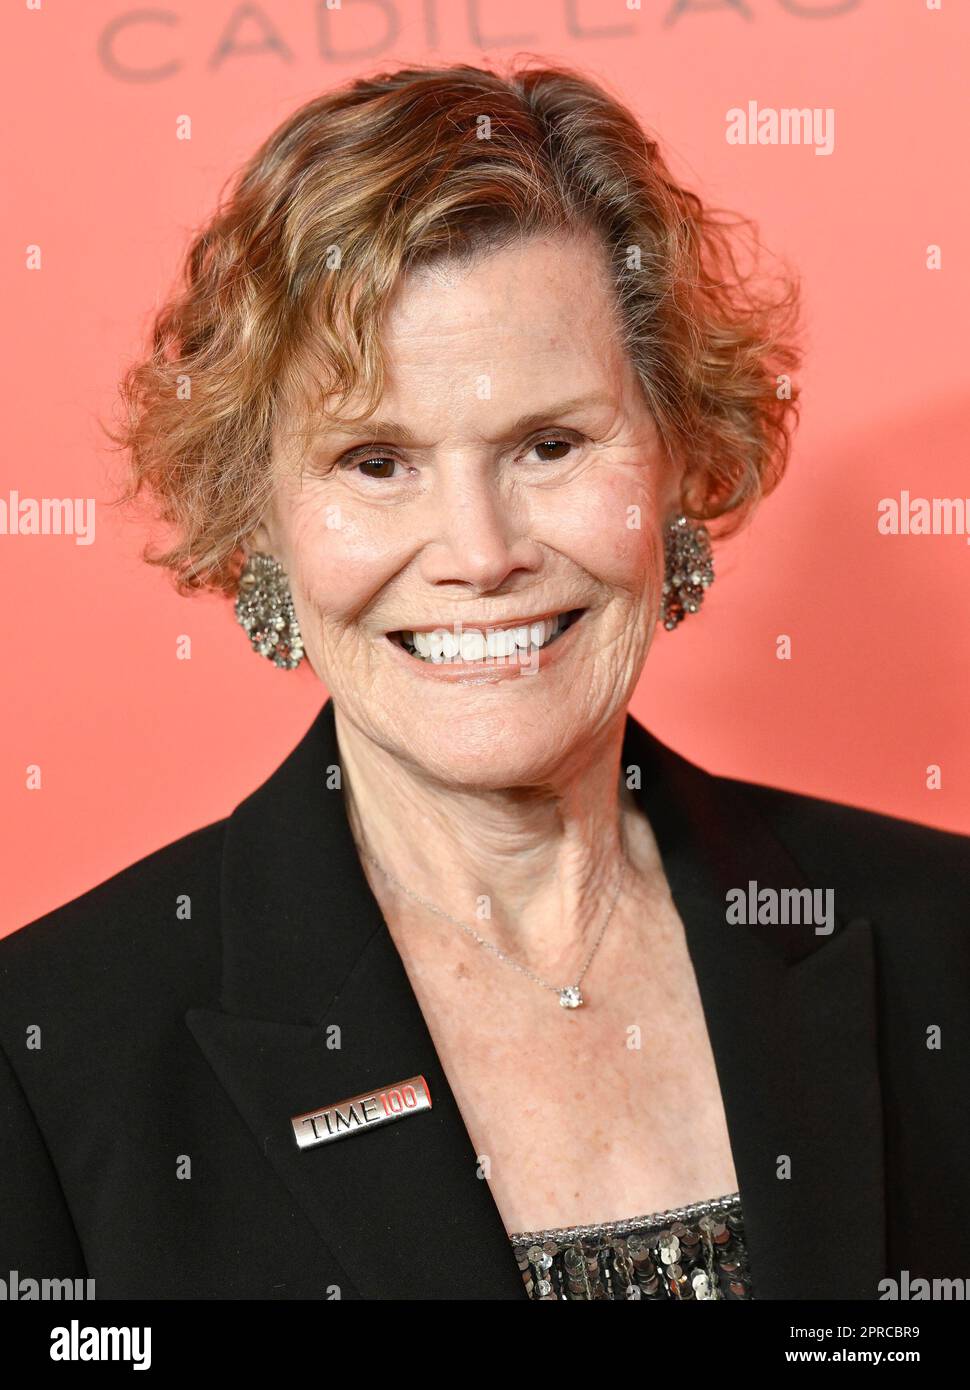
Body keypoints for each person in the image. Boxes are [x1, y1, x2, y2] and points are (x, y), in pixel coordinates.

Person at [2, 60, 967, 1303]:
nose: (480, 551)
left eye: (550, 444)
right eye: (374, 461)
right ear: (259, 521)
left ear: (681, 461)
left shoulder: (942, 942)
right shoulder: (54, 1057)